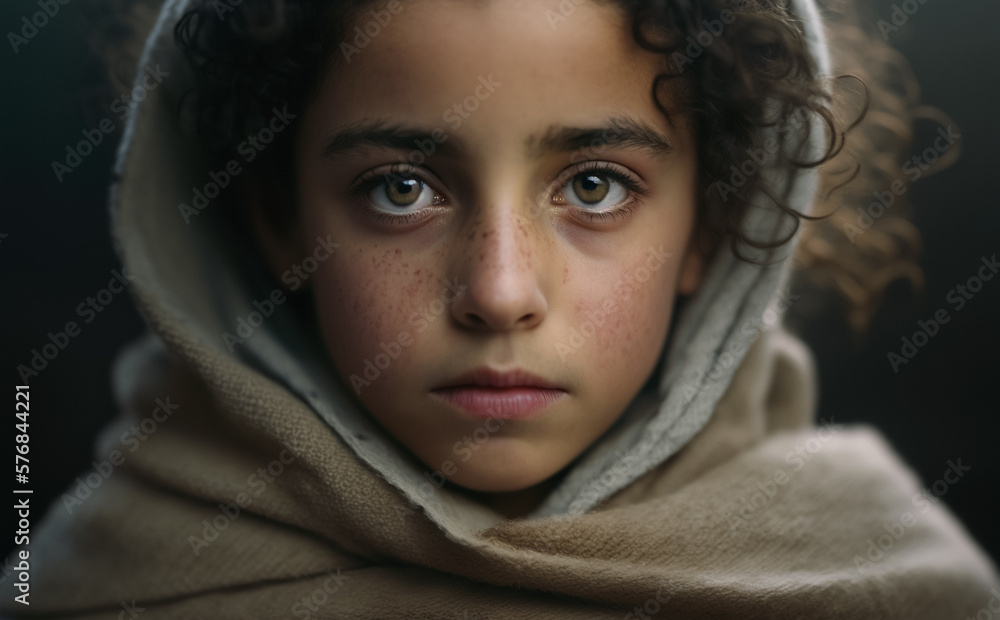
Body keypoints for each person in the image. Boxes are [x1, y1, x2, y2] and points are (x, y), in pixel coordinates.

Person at [3, 0, 997, 617]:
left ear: (716, 219)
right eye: (401, 189)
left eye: (596, 186)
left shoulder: (880, 582)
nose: (499, 292)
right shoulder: (116, 581)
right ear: (276, 221)